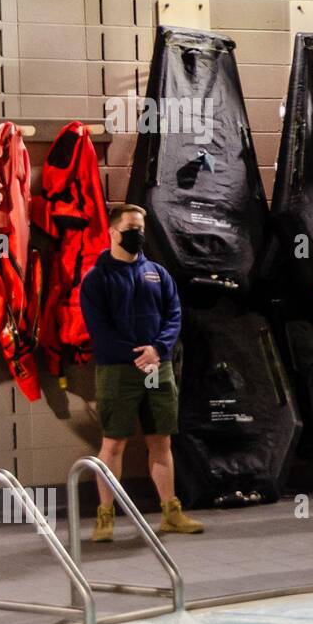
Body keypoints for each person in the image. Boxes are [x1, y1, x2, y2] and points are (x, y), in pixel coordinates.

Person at [78, 203, 203, 541]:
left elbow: (173, 315)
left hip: (157, 368)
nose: (138, 235)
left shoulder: (158, 274)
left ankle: (170, 513)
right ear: (113, 232)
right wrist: (135, 355)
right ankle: (105, 517)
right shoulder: (96, 279)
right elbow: (98, 328)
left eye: (141, 229)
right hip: (118, 371)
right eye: (131, 229)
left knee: (161, 441)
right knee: (113, 444)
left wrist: (157, 350)